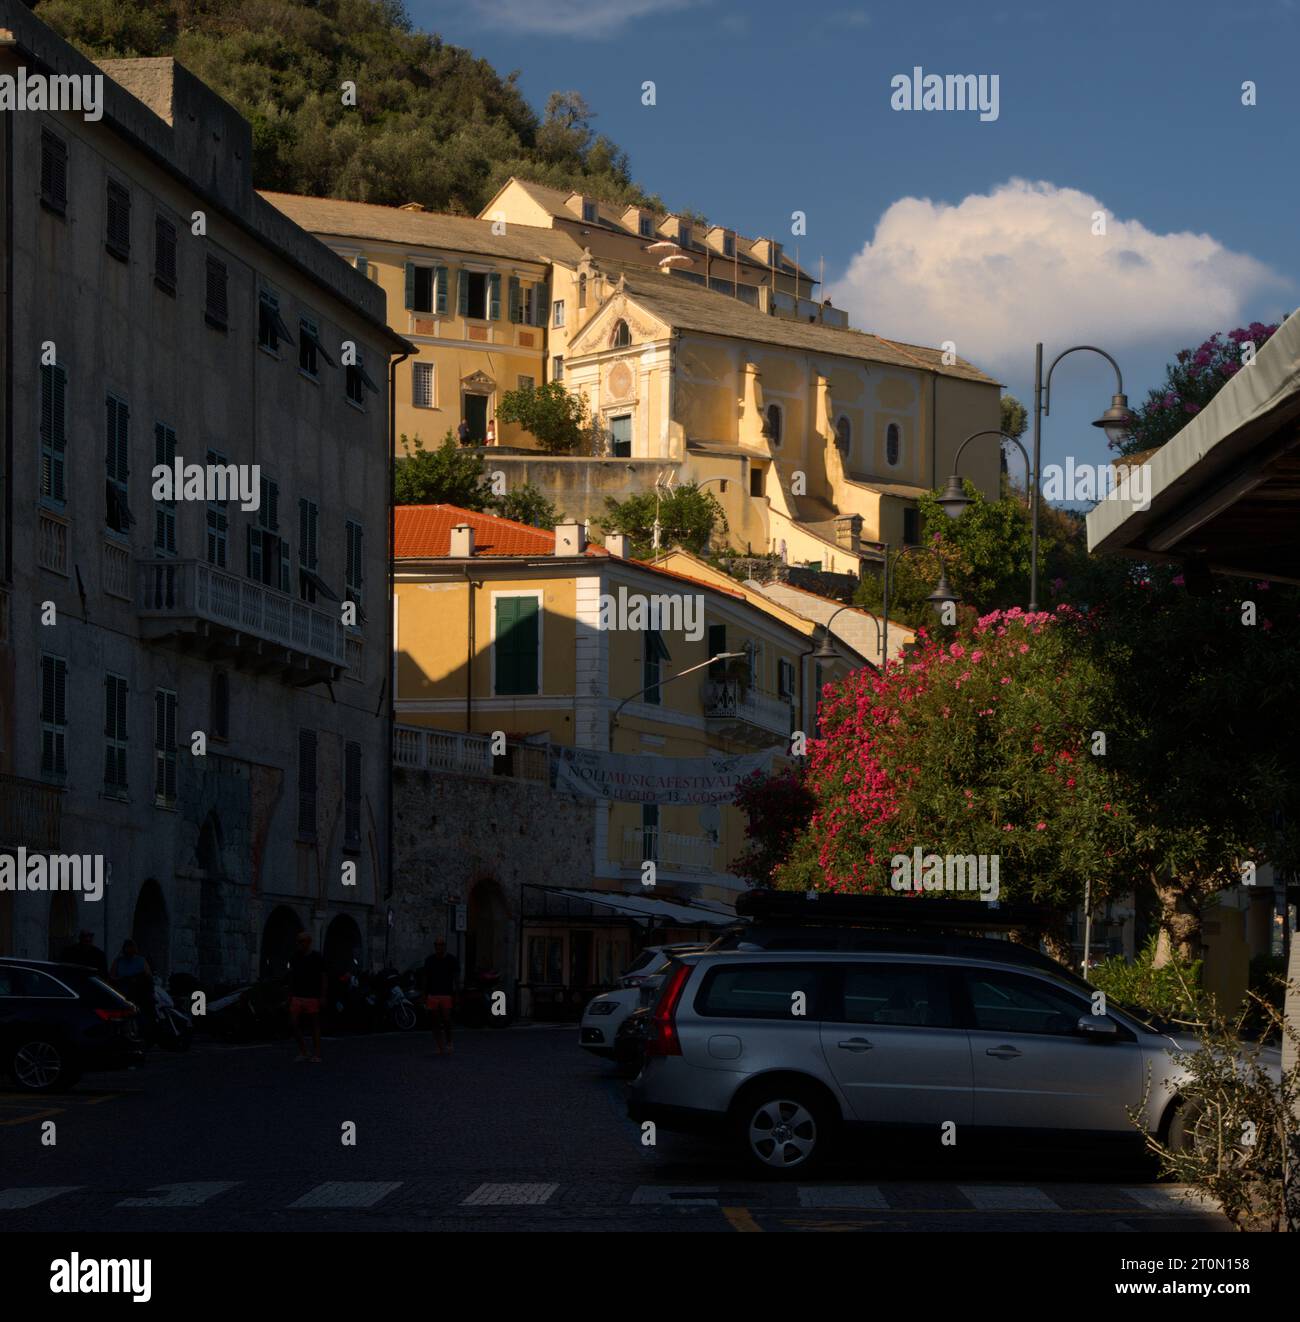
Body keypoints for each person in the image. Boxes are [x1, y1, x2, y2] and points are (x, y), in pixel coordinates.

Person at [288, 930, 327, 1063]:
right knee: (293, 1023)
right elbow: (292, 975)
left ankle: (317, 1053)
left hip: (312, 995)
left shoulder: (317, 957)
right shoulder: (295, 957)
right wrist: (290, 993)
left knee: (314, 1025)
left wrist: (322, 995)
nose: (299, 944)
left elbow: (323, 976)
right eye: (298, 941)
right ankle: (304, 1051)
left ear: (309, 942)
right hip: (297, 994)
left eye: (302, 941)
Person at [423, 937, 458, 1056]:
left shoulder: (451, 960)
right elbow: (426, 978)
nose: (440, 947)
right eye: (437, 944)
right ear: (435, 946)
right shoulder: (429, 960)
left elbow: (455, 978)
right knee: (435, 1022)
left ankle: (449, 1043)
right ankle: (439, 1045)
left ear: (445, 946)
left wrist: (456, 994)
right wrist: (425, 995)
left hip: (446, 994)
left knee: (447, 1020)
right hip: (433, 994)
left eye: (442, 944)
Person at [110, 939, 154, 1017]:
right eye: (127, 948)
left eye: (131, 948)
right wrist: (123, 980)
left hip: (140, 994)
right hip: (124, 994)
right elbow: (112, 977)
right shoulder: (118, 961)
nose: (129, 950)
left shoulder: (141, 960)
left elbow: (149, 977)